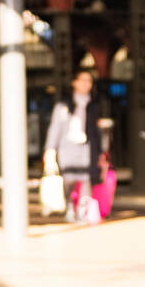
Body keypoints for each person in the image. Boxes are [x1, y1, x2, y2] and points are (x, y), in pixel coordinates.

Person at [43, 69, 104, 222]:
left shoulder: (94, 105)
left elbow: (98, 131)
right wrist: (50, 149)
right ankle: (70, 204)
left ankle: (82, 211)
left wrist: (102, 151)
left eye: (88, 81)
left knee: (86, 179)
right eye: (82, 80)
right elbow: (55, 128)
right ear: (74, 82)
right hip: (67, 148)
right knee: (68, 179)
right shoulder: (63, 105)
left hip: (87, 148)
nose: (85, 84)